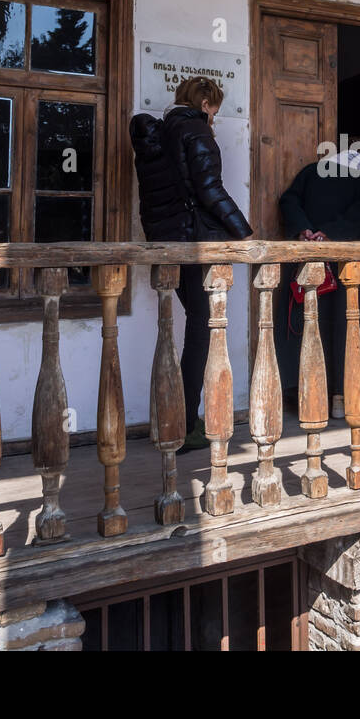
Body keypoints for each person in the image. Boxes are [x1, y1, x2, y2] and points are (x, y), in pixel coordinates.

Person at [130, 75, 252, 452]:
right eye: (215, 108)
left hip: (167, 245)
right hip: (195, 243)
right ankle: (183, 425)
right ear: (205, 104)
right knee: (201, 330)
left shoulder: (157, 136)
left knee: (184, 329)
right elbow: (209, 189)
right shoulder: (195, 131)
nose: (215, 115)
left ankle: (174, 420)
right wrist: (244, 233)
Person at [277, 140, 360, 418]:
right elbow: (359, 214)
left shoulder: (312, 171)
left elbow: (288, 199)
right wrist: (328, 233)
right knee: (341, 329)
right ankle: (338, 397)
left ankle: (307, 396)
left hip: (306, 259)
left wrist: (305, 230)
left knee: (307, 326)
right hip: (341, 263)